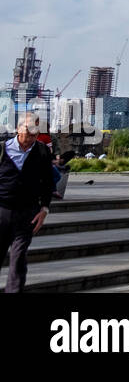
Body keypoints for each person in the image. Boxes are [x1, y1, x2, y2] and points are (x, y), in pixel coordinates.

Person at [0, 114, 55, 292]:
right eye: (28, 131)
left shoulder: (42, 151)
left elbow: (48, 183)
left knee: (18, 258)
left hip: (27, 213)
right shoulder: (2, 149)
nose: (31, 136)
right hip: (2, 211)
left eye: (35, 133)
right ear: (18, 128)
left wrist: (44, 209)